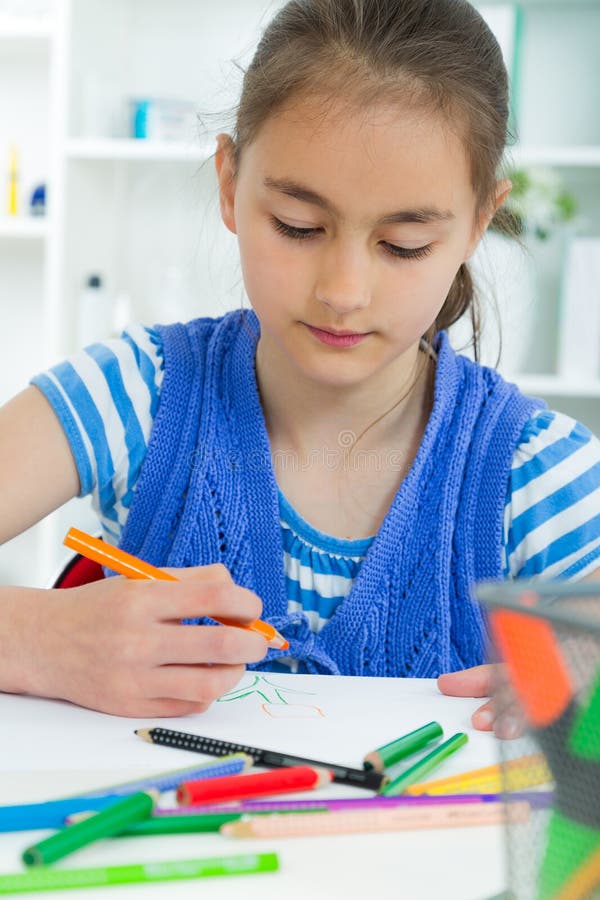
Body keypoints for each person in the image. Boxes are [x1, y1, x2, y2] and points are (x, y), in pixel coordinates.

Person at [1, 0, 599, 728]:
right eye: (299, 227)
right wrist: (34, 638)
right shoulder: (137, 394)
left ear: (478, 222)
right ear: (229, 183)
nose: (343, 292)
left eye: (404, 244)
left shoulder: (533, 473)